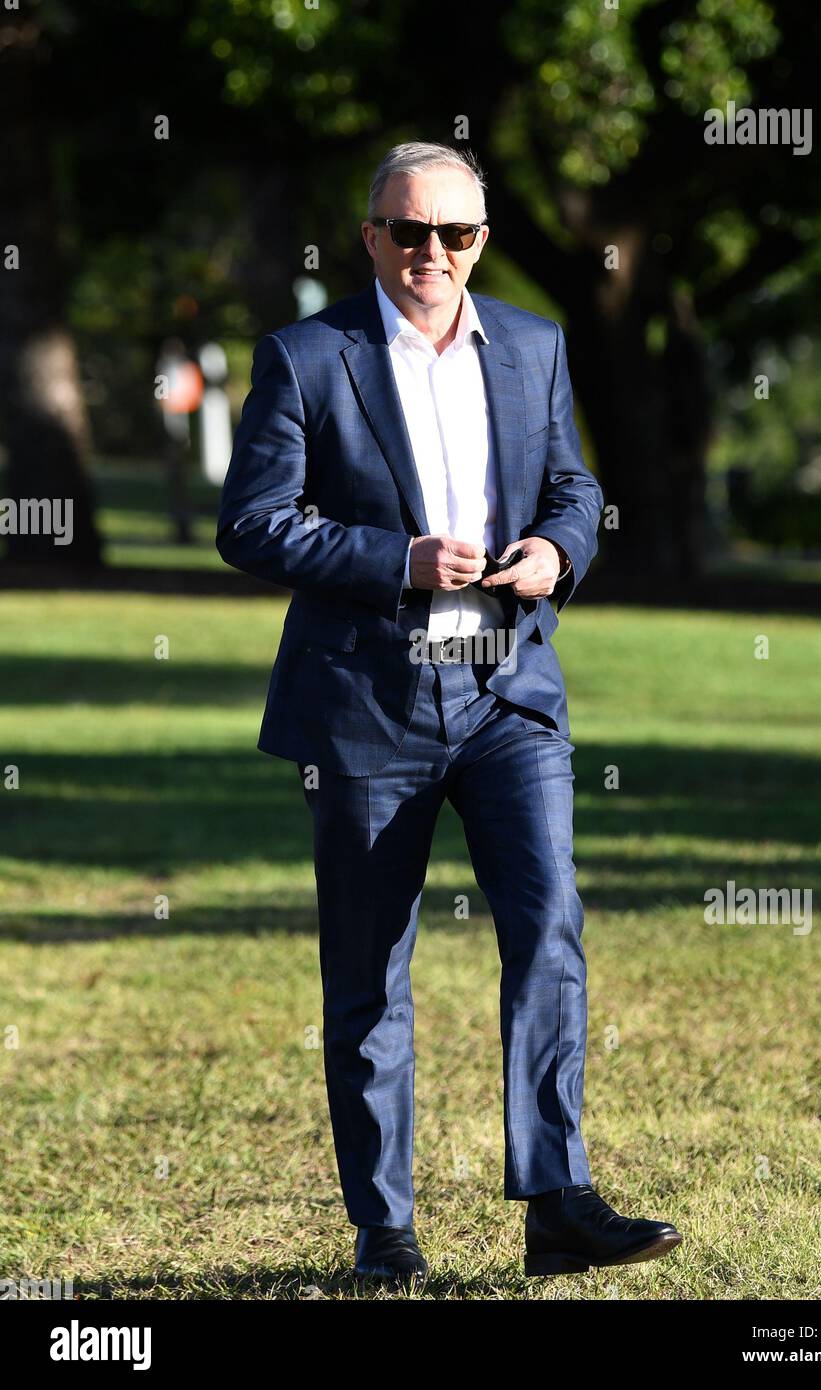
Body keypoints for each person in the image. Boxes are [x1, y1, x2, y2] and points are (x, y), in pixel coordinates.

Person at [216, 140, 682, 1286]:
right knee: (371, 971)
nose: (433, 253)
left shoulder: (531, 342)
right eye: (409, 231)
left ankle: (559, 1201)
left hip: (509, 689)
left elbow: (573, 485)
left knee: (547, 926)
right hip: (366, 701)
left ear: (481, 239)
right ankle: (386, 1234)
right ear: (371, 235)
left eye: (456, 233)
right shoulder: (306, 356)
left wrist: (556, 550)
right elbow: (252, 522)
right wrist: (400, 557)